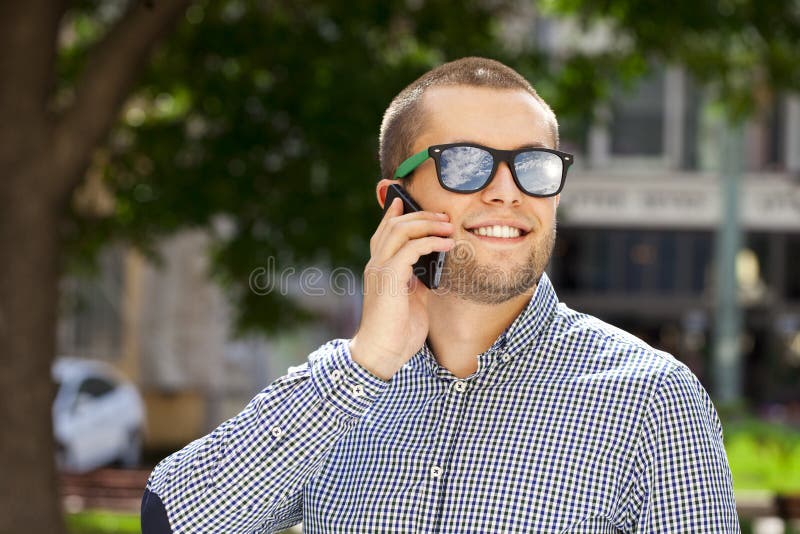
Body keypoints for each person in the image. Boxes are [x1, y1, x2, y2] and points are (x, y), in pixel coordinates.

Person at [142, 57, 740, 533]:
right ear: (395, 203)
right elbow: (174, 519)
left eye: (533, 165)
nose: (507, 192)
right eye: (466, 163)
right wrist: (365, 364)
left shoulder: (652, 399)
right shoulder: (342, 392)